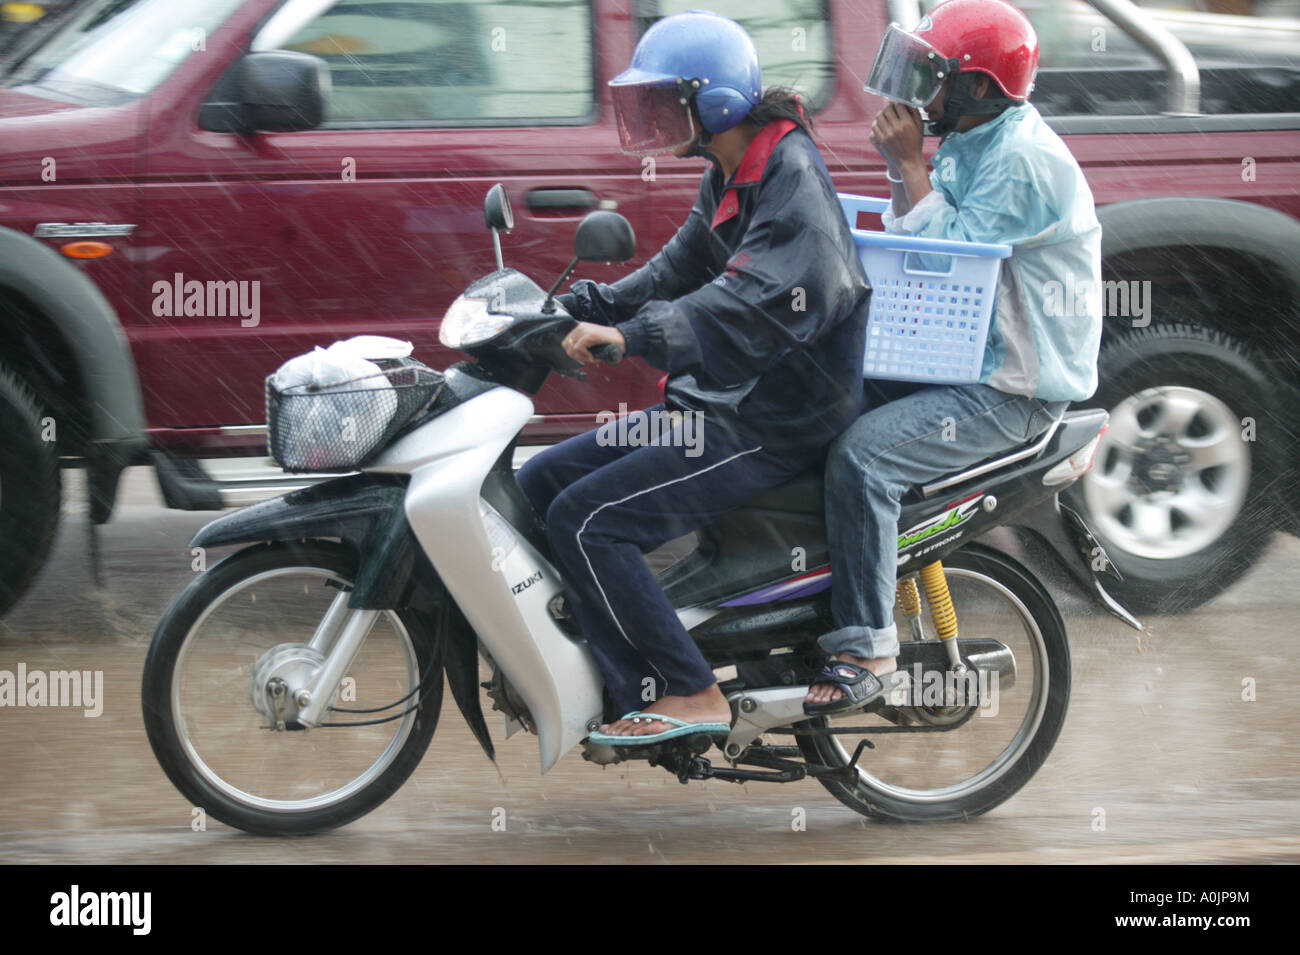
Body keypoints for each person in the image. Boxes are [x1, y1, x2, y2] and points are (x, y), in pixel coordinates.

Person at [516, 10, 869, 744]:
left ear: (713, 105)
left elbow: (740, 305)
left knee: (588, 521)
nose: (649, 117)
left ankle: (688, 688)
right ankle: (602, 663)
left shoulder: (791, 182)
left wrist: (630, 336)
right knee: (542, 479)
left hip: (770, 419)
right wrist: (584, 305)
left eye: (662, 101)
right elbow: (680, 267)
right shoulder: (737, 167)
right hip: (721, 400)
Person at [805, 0, 1103, 713]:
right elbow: (924, 230)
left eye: (931, 77)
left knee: (865, 459)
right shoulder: (977, 136)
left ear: (977, 88)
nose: (915, 93)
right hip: (962, 356)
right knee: (812, 396)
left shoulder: (1024, 160)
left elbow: (949, 253)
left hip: (1011, 389)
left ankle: (869, 643)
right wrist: (906, 168)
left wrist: (906, 163)